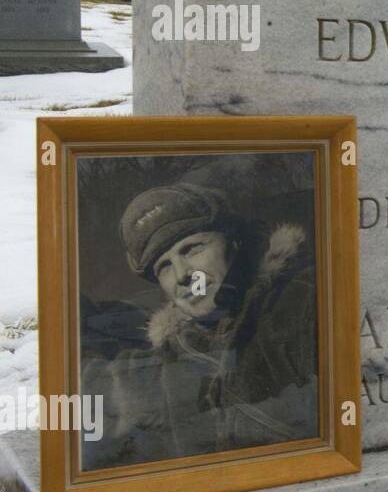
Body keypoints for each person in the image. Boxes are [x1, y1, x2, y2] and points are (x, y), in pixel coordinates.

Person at [81, 182, 319, 471]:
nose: (182, 275)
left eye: (192, 249)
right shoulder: (177, 351)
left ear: (234, 242)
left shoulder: (301, 303)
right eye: (164, 267)